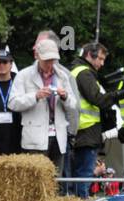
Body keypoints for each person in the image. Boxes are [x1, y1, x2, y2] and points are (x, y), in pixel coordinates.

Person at [11, 38, 77, 175]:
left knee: (55, 181)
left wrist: (64, 96)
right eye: (47, 60)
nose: (50, 63)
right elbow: (13, 103)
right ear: (37, 56)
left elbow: (73, 104)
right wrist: (35, 96)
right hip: (34, 136)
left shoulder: (62, 76)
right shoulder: (23, 75)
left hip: (58, 137)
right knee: (35, 181)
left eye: (53, 59)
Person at [70, 42, 120, 198]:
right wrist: (119, 95)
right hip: (86, 130)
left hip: (83, 131)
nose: (102, 63)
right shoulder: (84, 73)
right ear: (89, 55)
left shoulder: (78, 70)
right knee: (84, 177)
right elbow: (97, 99)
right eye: (100, 59)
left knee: (81, 175)